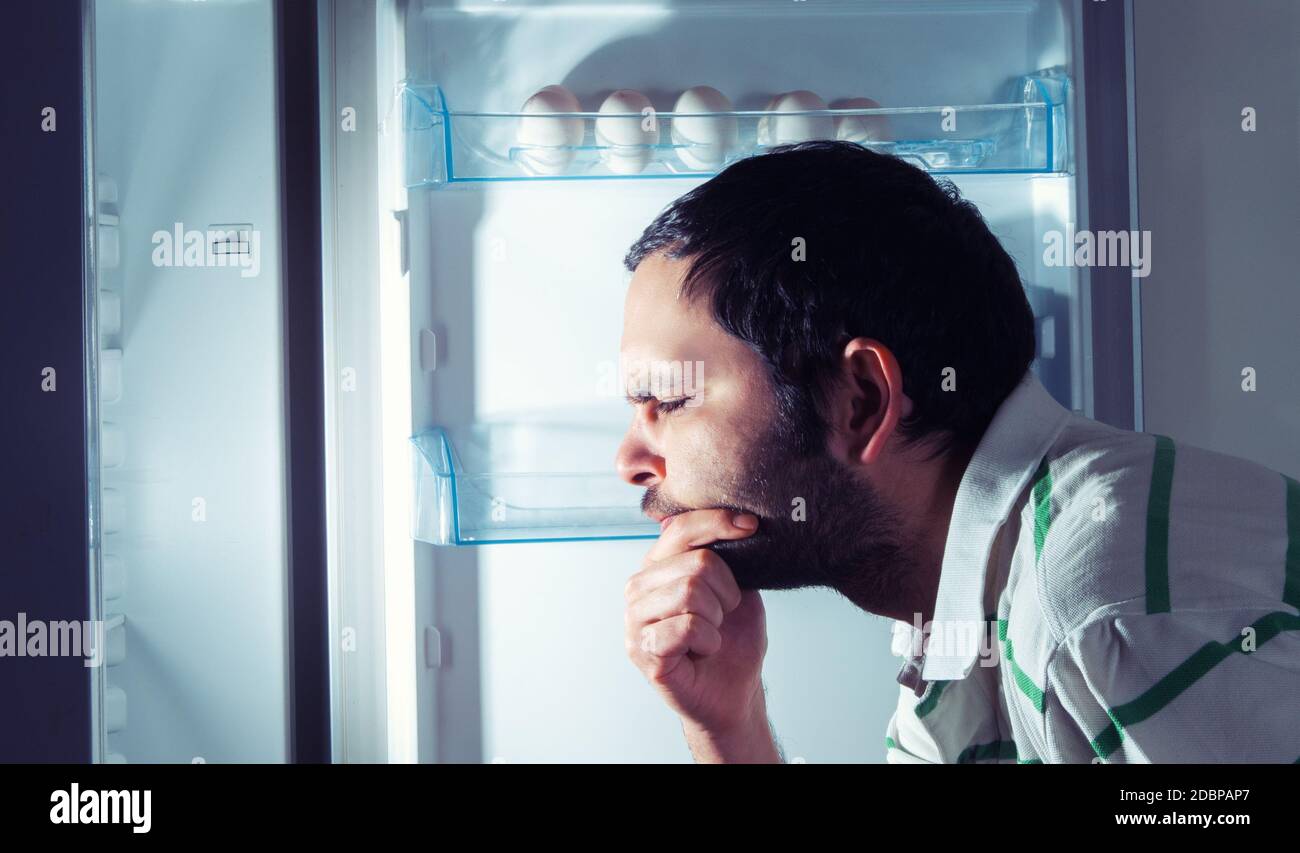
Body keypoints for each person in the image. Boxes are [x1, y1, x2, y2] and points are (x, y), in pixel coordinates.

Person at [617, 140, 1300, 764]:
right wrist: (728, 725)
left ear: (859, 401)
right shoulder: (966, 623)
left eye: (668, 399)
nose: (631, 460)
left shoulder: (1097, 604)